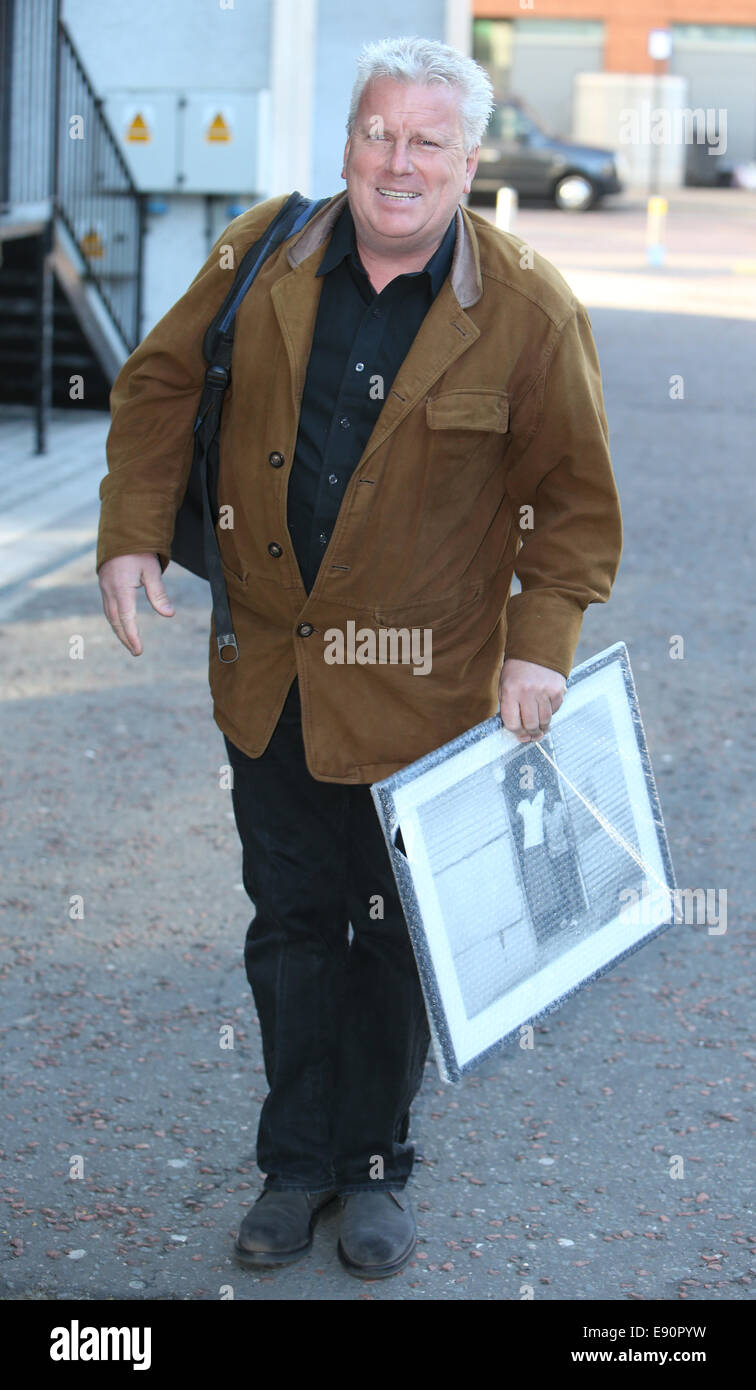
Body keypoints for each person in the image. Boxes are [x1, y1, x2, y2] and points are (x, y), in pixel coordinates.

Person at [96, 35, 622, 1280]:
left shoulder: (531, 307)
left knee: (386, 938)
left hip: (425, 697)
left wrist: (538, 653)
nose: (398, 160)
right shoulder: (262, 249)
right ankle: (294, 1161)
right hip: (269, 675)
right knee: (289, 925)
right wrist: (129, 535)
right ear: (347, 140)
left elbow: (575, 509)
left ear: (470, 160)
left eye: (427, 140)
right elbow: (161, 384)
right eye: (379, 132)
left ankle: (377, 1167)